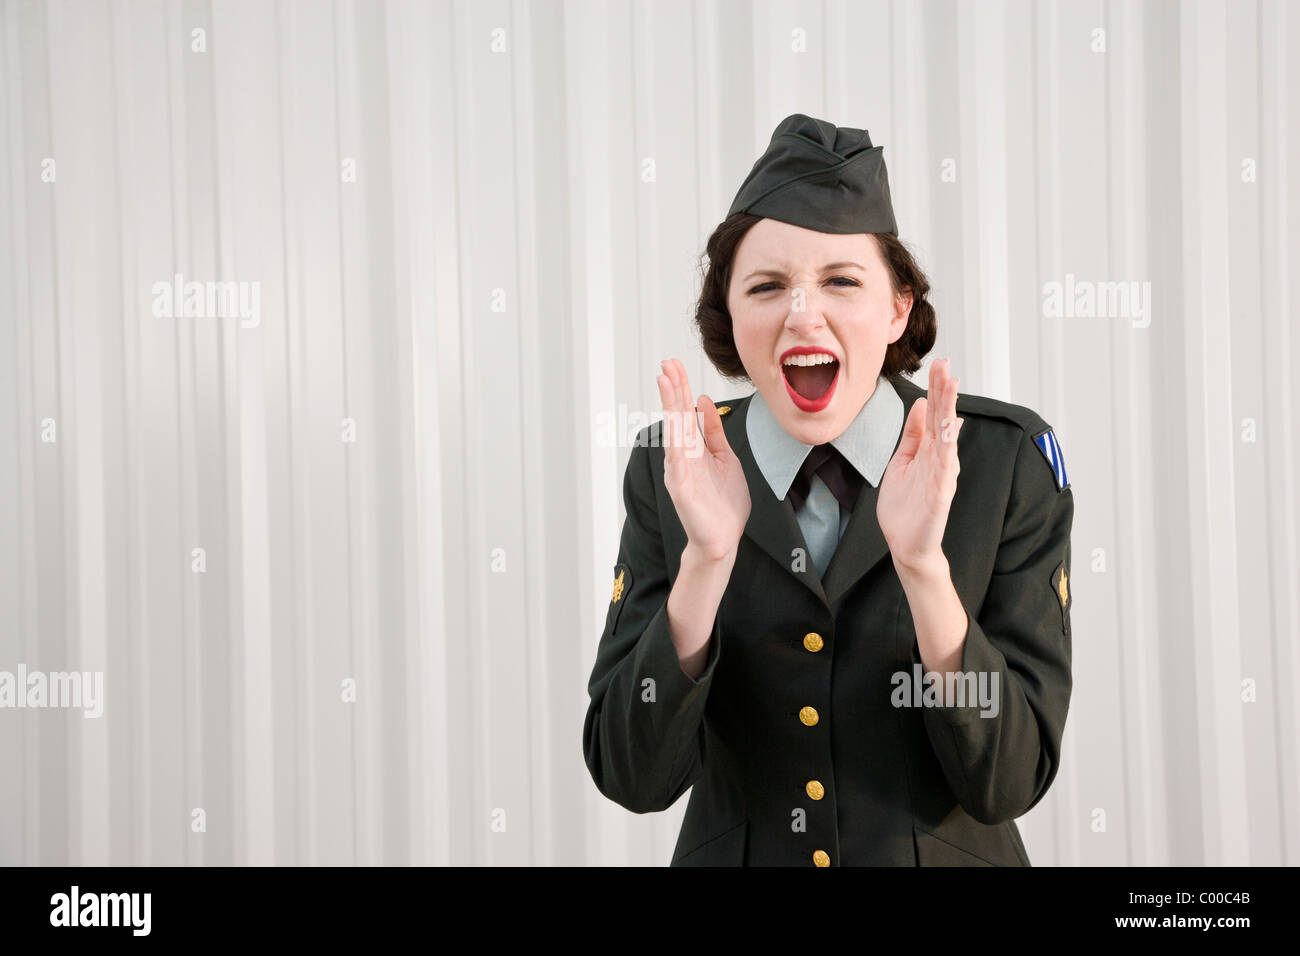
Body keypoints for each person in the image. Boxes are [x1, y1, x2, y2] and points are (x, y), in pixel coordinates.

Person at [582, 114, 1074, 866]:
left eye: (841, 281)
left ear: (898, 305)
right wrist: (705, 565)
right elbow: (632, 775)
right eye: (767, 286)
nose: (801, 314)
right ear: (731, 316)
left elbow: (1008, 780)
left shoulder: (1005, 462)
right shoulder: (671, 465)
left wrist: (924, 571)